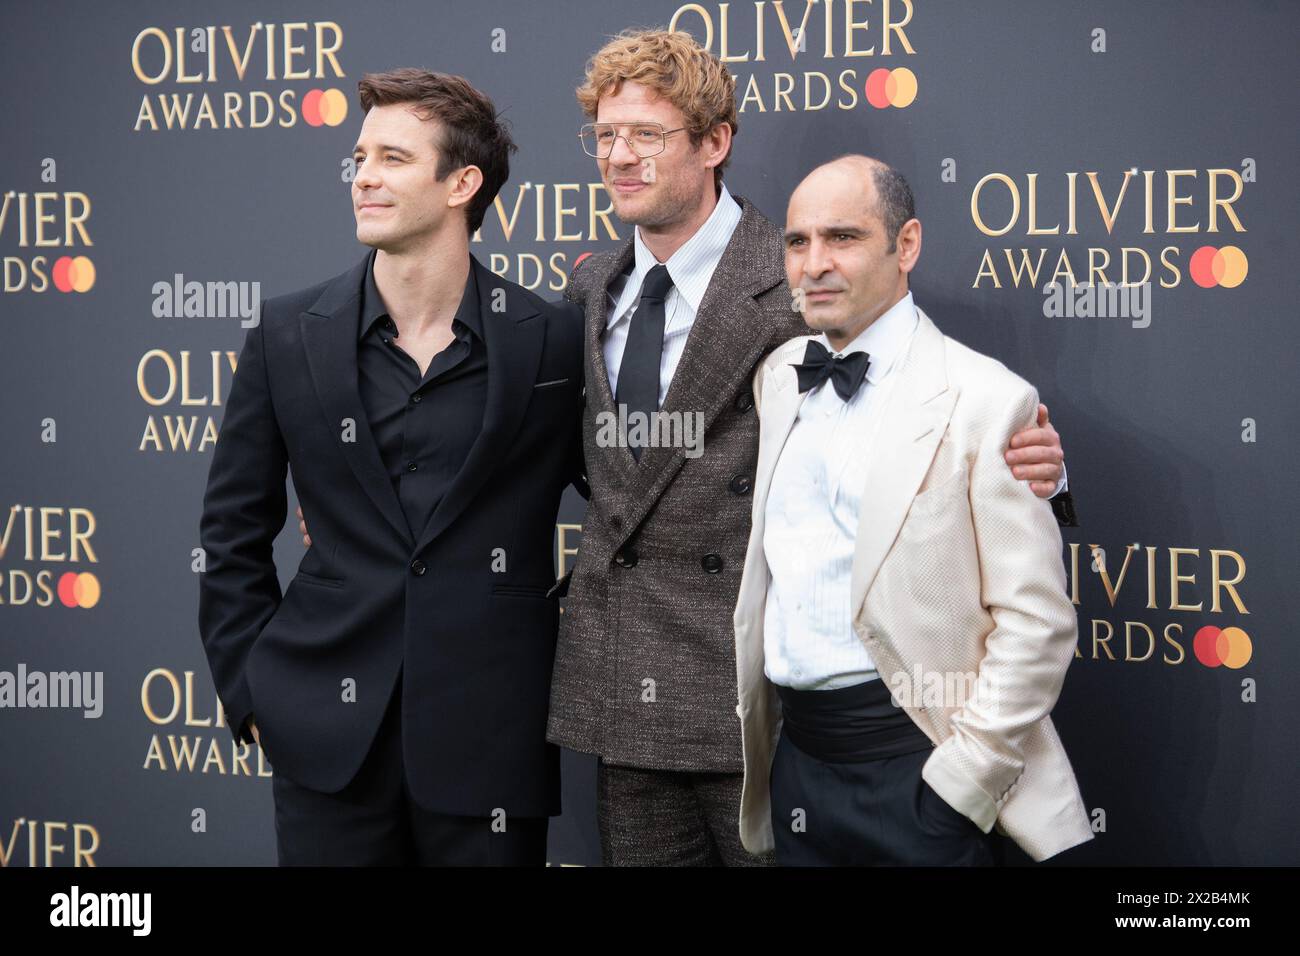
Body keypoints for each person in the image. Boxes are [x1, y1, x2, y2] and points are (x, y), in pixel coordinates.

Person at [545, 29, 1074, 867]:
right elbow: (568, 456)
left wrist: (1045, 463)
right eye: (606, 137)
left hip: (758, 711)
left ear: (715, 143)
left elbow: (935, 411)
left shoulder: (809, 281)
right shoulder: (586, 288)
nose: (620, 157)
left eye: (647, 135)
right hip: (630, 696)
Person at [198, 68, 585, 865]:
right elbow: (231, 533)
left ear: (462, 184)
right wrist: (255, 693)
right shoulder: (285, 334)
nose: (364, 176)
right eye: (360, 156)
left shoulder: (549, 340)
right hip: (325, 739)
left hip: (491, 738)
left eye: (394, 158)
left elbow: (628, 516)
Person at [733, 155, 1092, 865]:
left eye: (843, 238)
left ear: (907, 246)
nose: (814, 264)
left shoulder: (988, 400)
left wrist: (959, 786)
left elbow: (1039, 624)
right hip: (799, 767)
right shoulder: (779, 378)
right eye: (798, 242)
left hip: (921, 764)